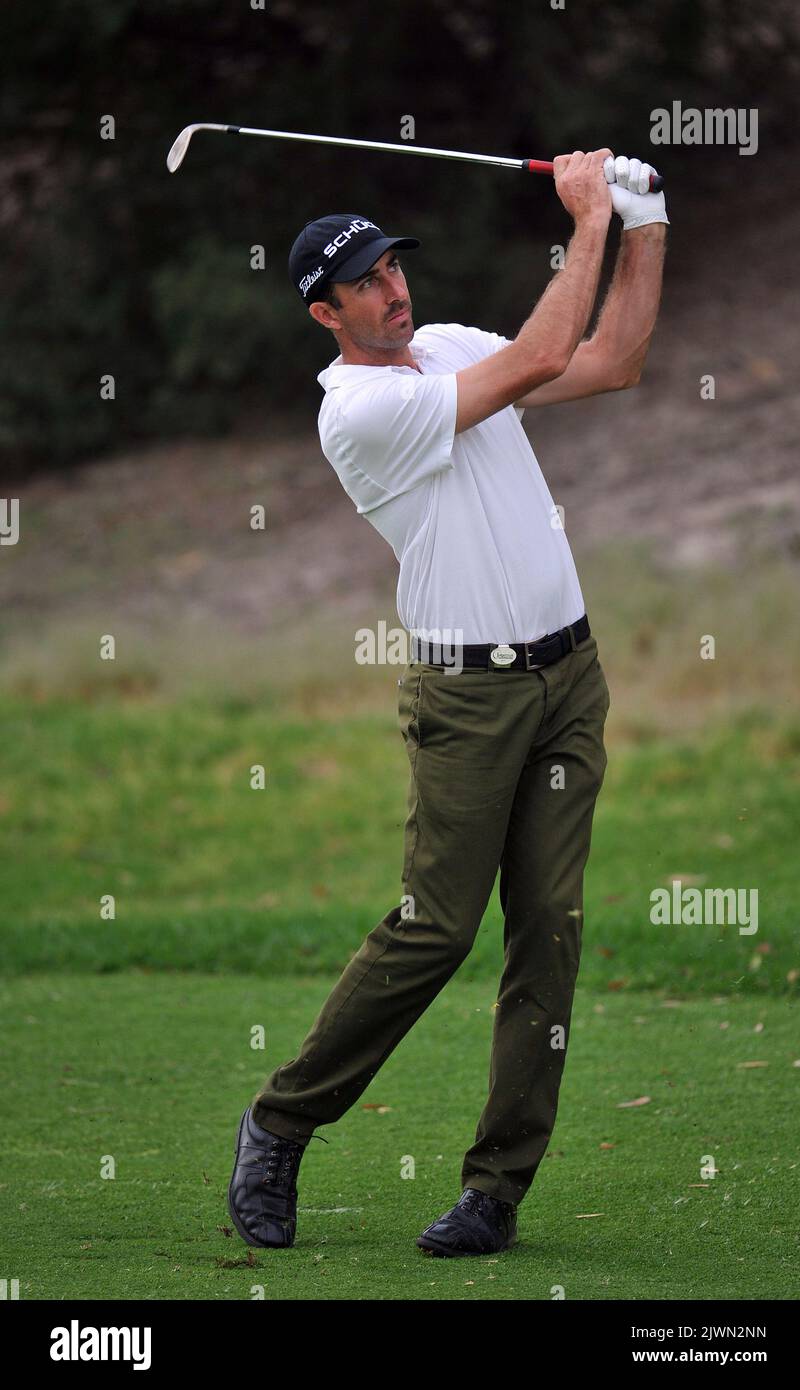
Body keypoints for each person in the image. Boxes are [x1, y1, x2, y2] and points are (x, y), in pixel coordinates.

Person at [228, 149, 668, 1256]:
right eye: (364, 280)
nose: (390, 286)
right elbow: (539, 352)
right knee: (435, 929)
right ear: (325, 312)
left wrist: (644, 223)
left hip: (569, 678)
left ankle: (495, 1190)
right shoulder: (359, 409)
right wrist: (584, 220)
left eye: (391, 265)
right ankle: (282, 1121)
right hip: (466, 699)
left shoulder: (456, 346)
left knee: (548, 934)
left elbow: (608, 359)